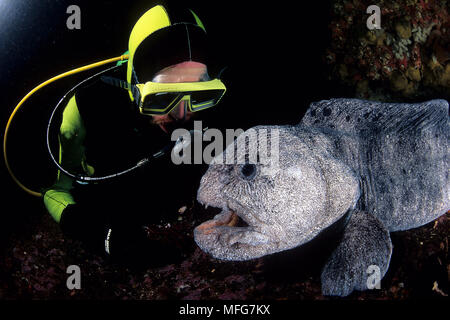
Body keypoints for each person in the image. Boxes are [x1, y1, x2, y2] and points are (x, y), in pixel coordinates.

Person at [42, 4, 226, 267]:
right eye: (162, 98)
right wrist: (100, 236)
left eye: (199, 95)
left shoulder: (221, 107)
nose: (182, 115)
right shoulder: (85, 108)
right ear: (134, 83)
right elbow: (56, 190)